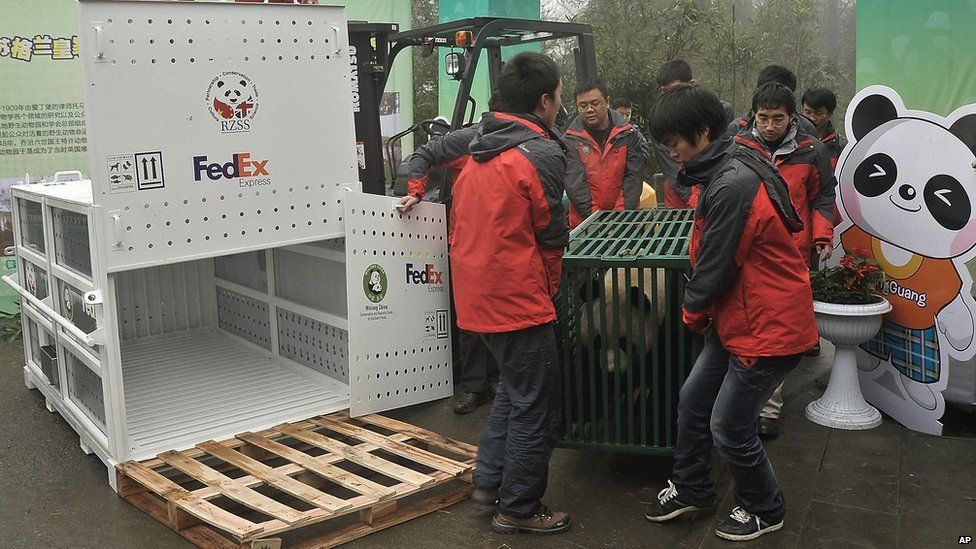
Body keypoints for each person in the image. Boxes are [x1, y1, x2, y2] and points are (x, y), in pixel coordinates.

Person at [643, 83, 816, 542]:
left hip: (768, 325)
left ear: (702, 132)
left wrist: (691, 314)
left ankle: (764, 507)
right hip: (738, 318)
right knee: (693, 399)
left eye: (675, 143)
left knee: (729, 425)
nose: (672, 154)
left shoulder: (733, 183)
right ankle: (692, 487)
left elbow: (716, 264)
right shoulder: (726, 166)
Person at [450, 51, 571, 535]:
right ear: (543, 101)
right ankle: (519, 507)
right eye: (559, 97)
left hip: (476, 296)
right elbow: (552, 234)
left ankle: (489, 481)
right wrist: (549, 294)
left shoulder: (481, 149)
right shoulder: (538, 153)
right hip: (516, 300)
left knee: (513, 393)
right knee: (535, 405)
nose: (560, 105)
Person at [735, 83, 836, 436]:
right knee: (750, 326)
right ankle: (747, 403)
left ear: (792, 117)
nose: (769, 126)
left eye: (777, 119)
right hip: (749, 251)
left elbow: (823, 196)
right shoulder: (739, 147)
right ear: (753, 116)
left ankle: (768, 408)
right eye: (763, 118)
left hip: (793, 254)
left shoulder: (811, 151)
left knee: (780, 332)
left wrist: (822, 235)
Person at [397, 97, 506, 415]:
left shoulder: (527, 142)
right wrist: (415, 193)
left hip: (503, 245)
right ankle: (475, 387)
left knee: (501, 316)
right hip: (467, 246)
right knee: (469, 319)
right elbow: (423, 154)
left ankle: (498, 380)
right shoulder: (469, 139)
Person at [563, 80, 649, 228]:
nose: (589, 109)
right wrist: (599, 223)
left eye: (595, 103)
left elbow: (633, 179)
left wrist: (618, 220)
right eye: (583, 106)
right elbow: (576, 186)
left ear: (607, 102)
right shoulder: (570, 140)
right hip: (586, 226)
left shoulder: (628, 134)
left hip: (626, 222)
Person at [653, 60, 734, 209]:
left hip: (713, 187)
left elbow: (722, 152)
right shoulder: (661, 119)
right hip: (680, 190)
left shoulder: (719, 110)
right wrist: (693, 198)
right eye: (664, 92)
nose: (669, 96)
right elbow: (670, 165)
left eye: (674, 89)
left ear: (691, 84)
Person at [730, 65, 818, 138]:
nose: (770, 128)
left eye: (778, 119)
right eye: (763, 118)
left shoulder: (806, 129)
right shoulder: (737, 128)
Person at [801, 86, 848, 169]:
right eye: (807, 112)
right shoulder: (793, 141)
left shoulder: (841, 147)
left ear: (830, 114)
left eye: (818, 114)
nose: (812, 118)